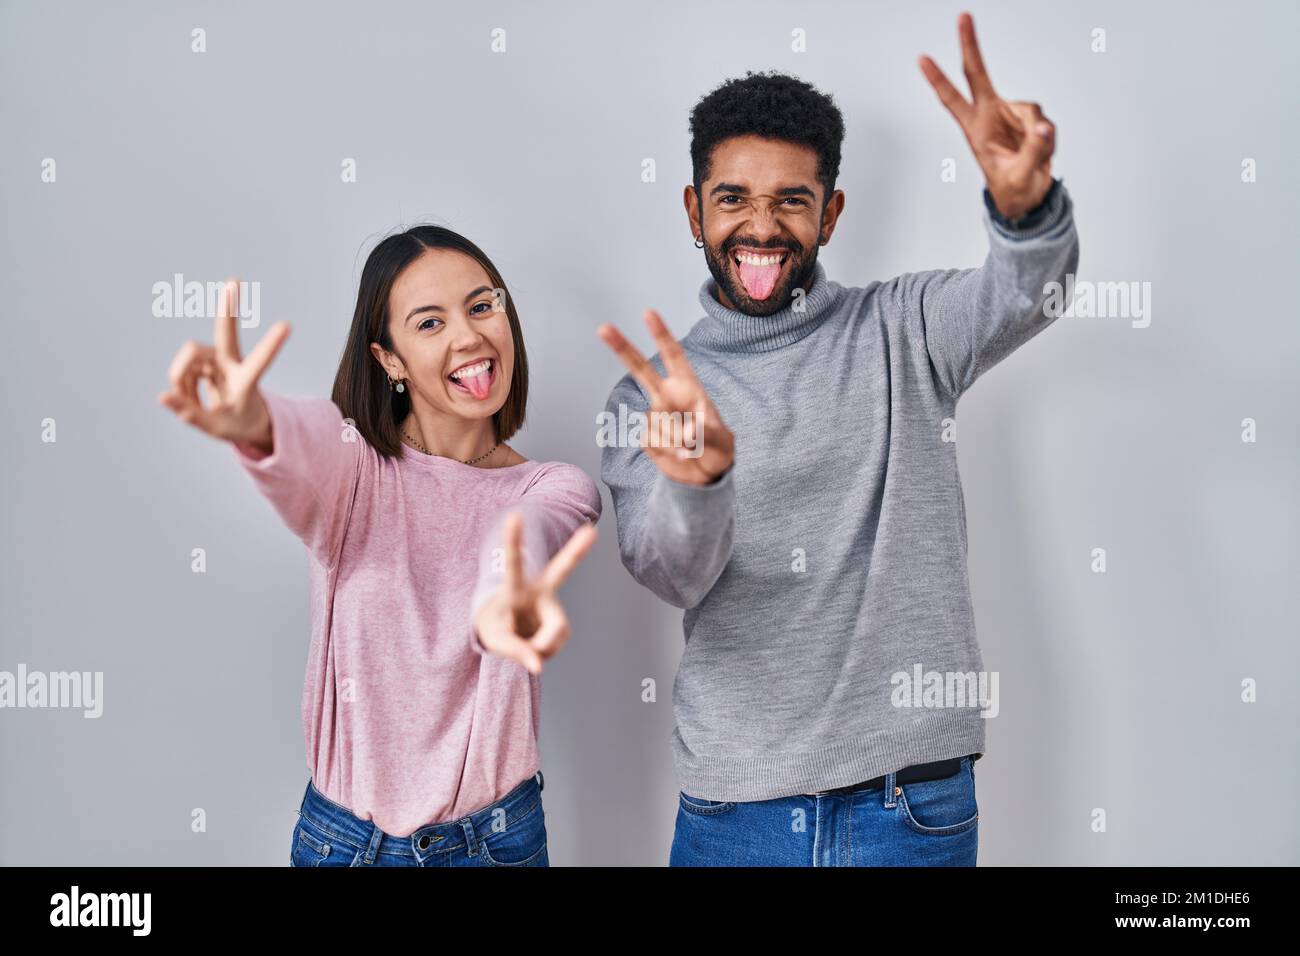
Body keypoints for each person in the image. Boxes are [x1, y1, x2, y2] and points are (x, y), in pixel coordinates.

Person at [598, 13, 1079, 866]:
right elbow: (667, 571)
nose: (761, 226)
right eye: (733, 198)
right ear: (693, 210)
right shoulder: (653, 390)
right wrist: (701, 485)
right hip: (735, 813)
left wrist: (1026, 210)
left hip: (911, 803)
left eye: (791, 199)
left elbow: (1026, 293)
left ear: (830, 214)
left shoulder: (906, 329)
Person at [157, 225, 600, 866]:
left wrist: (508, 591)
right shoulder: (354, 474)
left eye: (482, 306)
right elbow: (308, 441)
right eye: (429, 323)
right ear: (388, 359)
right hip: (343, 845)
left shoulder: (553, 485)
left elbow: (530, 531)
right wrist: (255, 422)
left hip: (491, 846)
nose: (468, 336)